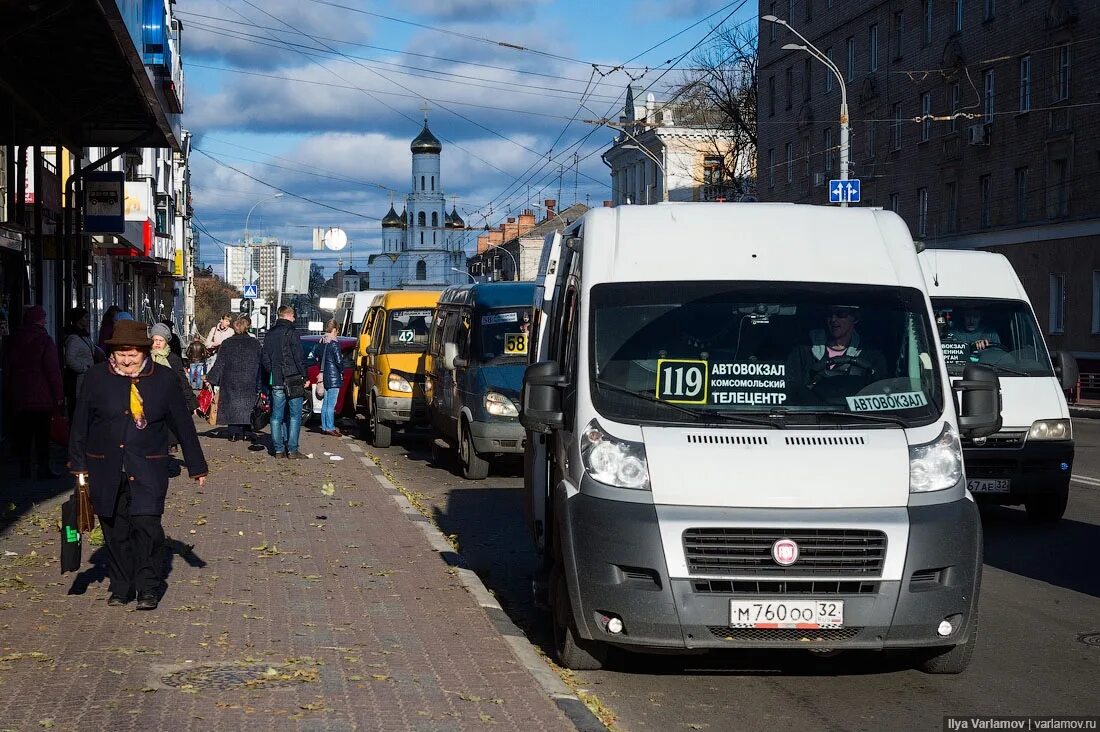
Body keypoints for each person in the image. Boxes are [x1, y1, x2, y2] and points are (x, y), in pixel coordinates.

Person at [68, 319, 208, 610]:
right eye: (121, 354)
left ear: (144, 352)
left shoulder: (163, 379)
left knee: (146, 526)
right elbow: (80, 423)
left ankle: (148, 587)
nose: (127, 360)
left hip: (148, 466)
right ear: (113, 353)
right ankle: (121, 586)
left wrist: (196, 466)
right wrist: (78, 464)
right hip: (105, 466)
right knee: (114, 530)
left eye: (133, 354)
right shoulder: (97, 377)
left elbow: (182, 424)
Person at [3, 305, 64, 478]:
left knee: (23, 434)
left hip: (20, 394)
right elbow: (52, 369)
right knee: (42, 436)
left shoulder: (14, 339)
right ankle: (43, 468)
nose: (45, 320)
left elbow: (8, 367)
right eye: (43, 317)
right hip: (41, 395)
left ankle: (24, 469)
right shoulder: (44, 340)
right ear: (39, 319)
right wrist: (58, 394)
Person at [787, 306, 887, 402]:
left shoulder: (871, 355)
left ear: (855, 318)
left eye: (841, 314)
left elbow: (882, 393)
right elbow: (791, 391)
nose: (833, 319)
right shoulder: (803, 351)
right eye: (829, 314)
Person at [205, 315, 263, 443]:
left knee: (232, 407)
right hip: (249, 380)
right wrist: (261, 381)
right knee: (247, 407)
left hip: (231, 380)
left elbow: (220, 363)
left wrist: (211, 378)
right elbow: (261, 363)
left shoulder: (227, 343)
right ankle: (247, 432)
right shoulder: (255, 343)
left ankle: (233, 433)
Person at [261, 305, 307, 459]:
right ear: (288, 315)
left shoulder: (269, 334)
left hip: (276, 380)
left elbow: (265, 357)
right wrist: (304, 376)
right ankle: (292, 450)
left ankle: (278, 449)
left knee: (276, 416)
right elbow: (298, 357)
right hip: (293, 378)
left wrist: (272, 371)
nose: (294, 319)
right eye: (293, 317)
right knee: (295, 415)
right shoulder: (292, 332)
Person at [150, 323, 197, 415]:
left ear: (166, 342)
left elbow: (182, 381)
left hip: (169, 401)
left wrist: (192, 402)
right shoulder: (146, 357)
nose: (158, 343)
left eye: (161, 340)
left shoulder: (173, 359)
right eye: (155, 340)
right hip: (150, 401)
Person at [63, 306, 101, 416]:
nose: (87, 320)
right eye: (85, 317)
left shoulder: (85, 335)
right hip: (78, 379)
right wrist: (84, 368)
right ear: (78, 319)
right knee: (77, 408)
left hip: (86, 377)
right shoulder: (74, 338)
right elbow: (69, 360)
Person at [312, 319, 343, 437]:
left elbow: (314, 356)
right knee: (331, 404)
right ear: (334, 330)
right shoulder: (334, 344)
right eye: (337, 331)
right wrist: (341, 370)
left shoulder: (321, 342)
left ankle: (324, 426)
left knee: (325, 404)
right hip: (334, 377)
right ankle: (330, 427)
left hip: (324, 376)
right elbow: (339, 361)